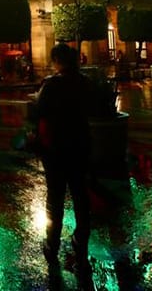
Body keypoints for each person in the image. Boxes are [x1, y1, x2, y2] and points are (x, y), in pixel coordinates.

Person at [32, 43, 92, 271]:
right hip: (80, 145)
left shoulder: (51, 84)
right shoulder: (84, 82)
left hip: (56, 148)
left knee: (55, 197)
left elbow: (38, 111)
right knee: (80, 195)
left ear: (57, 60)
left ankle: (52, 243)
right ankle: (81, 240)